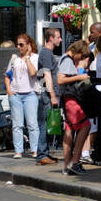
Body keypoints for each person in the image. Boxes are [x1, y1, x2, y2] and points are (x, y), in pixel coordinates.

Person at [56, 40, 92, 176]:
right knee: (86, 125)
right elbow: (60, 80)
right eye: (81, 56)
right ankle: (75, 161)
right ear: (78, 52)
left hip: (68, 99)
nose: (81, 59)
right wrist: (80, 76)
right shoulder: (67, 60)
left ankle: (67, 165)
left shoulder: (67, 59)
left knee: (69, 130)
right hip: (70, 100)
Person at [5, 33, 40, 159]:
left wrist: (27, 58)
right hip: (16, 94)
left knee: (32, 123)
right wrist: (9, 90)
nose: (19, 47)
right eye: (17, 44)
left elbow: (33, 73)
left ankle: (34, 149)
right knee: (17, 124)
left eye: (21, 44)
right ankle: (18, 150)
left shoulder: (35, 57)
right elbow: (7, 76)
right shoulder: (14, 58)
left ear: (28, 45)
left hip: (30, 93)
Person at [35, 27, 62, 166]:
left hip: (49, 94)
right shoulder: (46, 53)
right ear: (51, 38)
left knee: (47, 124)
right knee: (45, 124)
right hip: (47, 94)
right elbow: (47, 75)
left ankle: (44, 153)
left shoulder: (48, 53)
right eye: (58, 37)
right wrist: (52, 95)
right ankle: (41, 155)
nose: (60, 39)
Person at [81, 22, 101, 163]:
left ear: (100, 32)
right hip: (92, 85)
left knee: (100, 122)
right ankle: (86, 151)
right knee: (91, 121)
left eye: (92, 32)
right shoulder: (89, 48)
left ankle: (93, 151)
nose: (90, 35)